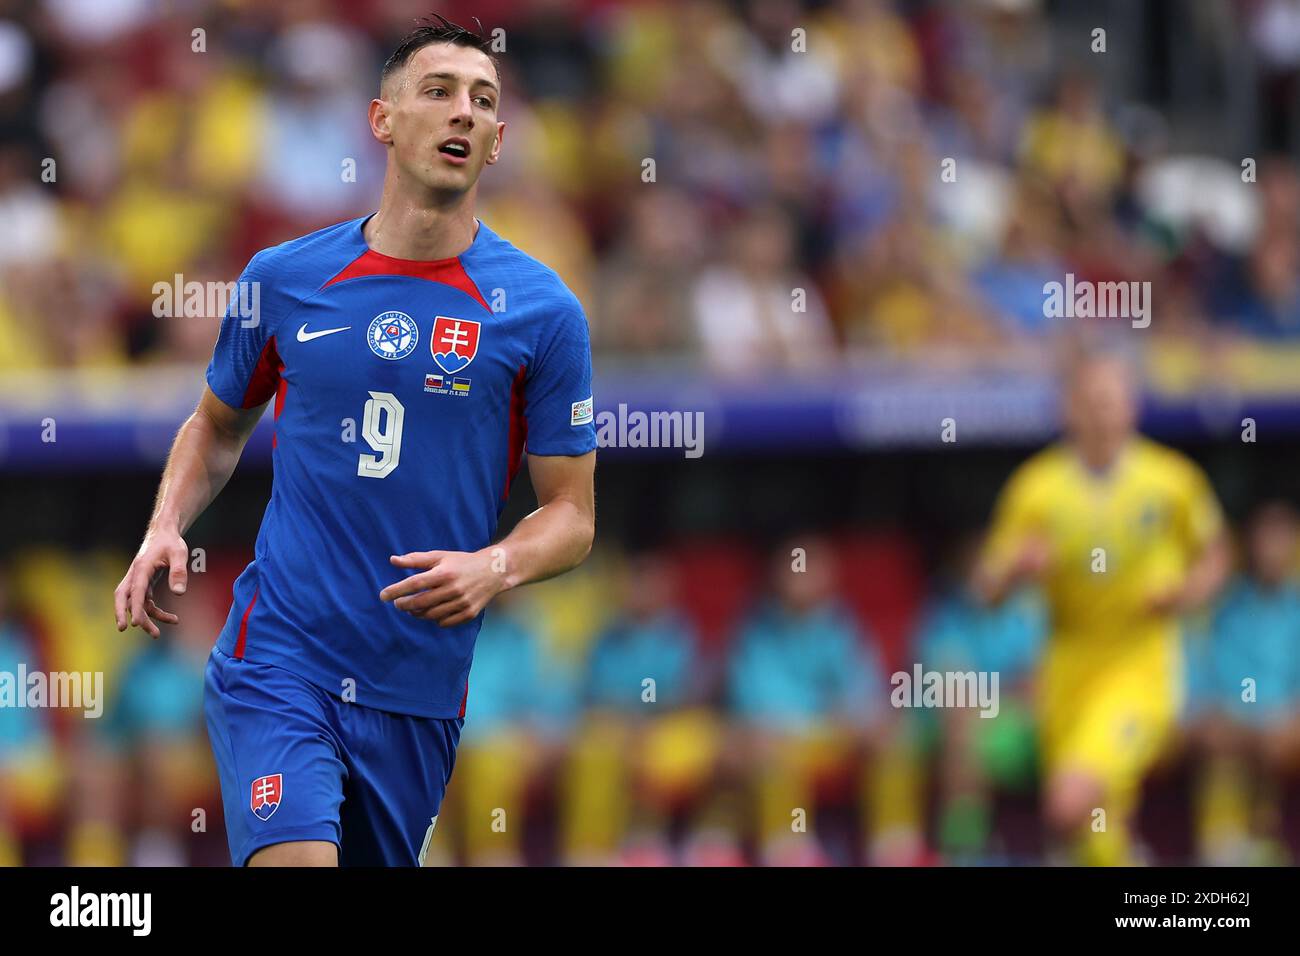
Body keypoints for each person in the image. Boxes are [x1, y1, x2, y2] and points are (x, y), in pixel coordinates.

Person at [112, 16, 597, 867]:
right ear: (380, 121)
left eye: (483, 102)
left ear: (497, 142)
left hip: (417, 690)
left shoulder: (542, 312)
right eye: (438, 92)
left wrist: (495, 566)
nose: (463, 114)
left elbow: (571, 514)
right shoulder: (284, 279)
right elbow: (216, 426)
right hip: (281, 659)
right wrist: (165, 526)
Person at [972, 349, 1229, 865]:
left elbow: (1215, 555)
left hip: (1139, 665)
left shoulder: (1171, 482)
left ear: (1131, 408)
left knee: (1069, 802)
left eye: (1111, 402)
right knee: (1095, 824)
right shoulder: (1037, 489)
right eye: (1089, 402)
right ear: (1067, 409)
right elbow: (986, 587)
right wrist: (1016, 570)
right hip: (1066, 668)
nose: (1101, 414)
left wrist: (1187, 592)